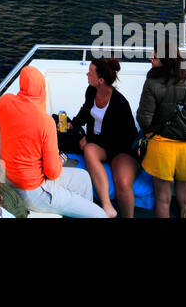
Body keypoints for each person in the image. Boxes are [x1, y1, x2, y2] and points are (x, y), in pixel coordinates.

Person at [0, 65, 107, 217]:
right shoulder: (46, 122)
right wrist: (59, 161)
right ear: (41, 89)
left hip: (10, 180)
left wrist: (7, 123)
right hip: (35, 191)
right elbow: (52, 173)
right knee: (100, 214)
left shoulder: (5, 102)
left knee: (84, 178)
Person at [137, 50, 186, 218]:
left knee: (162, 199)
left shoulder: (152, 84)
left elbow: (144, 121)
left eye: (155, 56)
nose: (150, 58)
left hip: (161, 148)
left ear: (165, 62)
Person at [59, 57, 140, 217]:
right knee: (89, 149)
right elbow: (85, 111)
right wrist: (73, 124)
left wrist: (90, 140)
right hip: (101, 145)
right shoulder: (91, 91)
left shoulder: (119, 104)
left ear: (101, 80)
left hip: (121, 149)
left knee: (122, 182)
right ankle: (107, 206)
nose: (87, 75)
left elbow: (123, 138)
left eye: (90, 73)